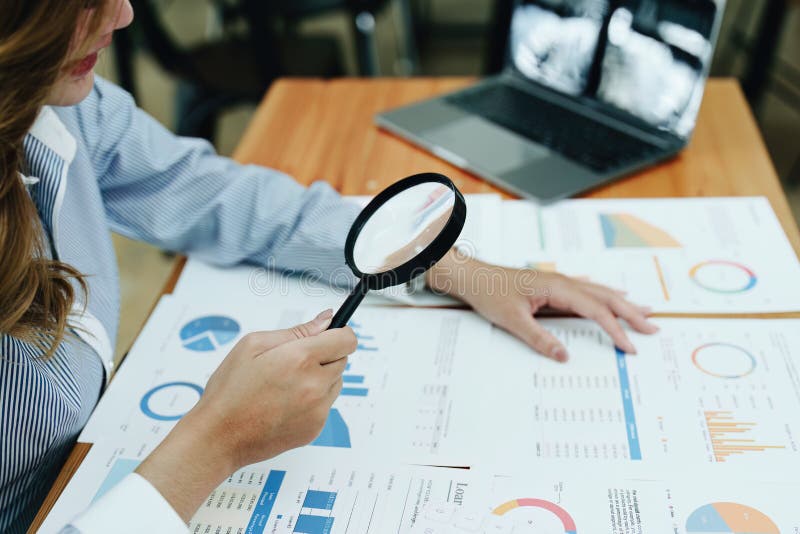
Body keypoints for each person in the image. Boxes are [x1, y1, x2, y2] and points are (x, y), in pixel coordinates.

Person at [0, 1, 658, 532]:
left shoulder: (61, 103)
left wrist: (450, 266)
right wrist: (214, 445)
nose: (122, 17)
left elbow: (211, 193)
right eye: (77, 2)